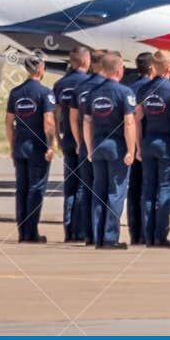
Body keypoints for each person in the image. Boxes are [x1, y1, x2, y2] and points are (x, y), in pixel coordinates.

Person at [81, 51, 138, 249]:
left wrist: (89, 148)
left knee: (99, 191)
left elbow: (87, 122)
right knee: (115, 192)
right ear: (119, 70)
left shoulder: (92, 93)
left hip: (97, 146)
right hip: (116, 147)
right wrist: (131, 150)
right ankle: (110, 237)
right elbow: (129, 123)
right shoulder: (125, 93)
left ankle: (97, 236)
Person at [137, 50, 170, 248]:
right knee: (165, 190)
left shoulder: (143, 90)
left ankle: (148, 235)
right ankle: (160, 235)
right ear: (169, 67)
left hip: (149, 142)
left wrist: (138, 147)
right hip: (166, 145)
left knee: (148, 190)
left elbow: (137, 119)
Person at [6, 54, 56, 244]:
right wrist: (50, 145)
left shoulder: (15, 92)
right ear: (40, 68)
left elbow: (9, 123)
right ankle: (31, 232)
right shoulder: (45, 93)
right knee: (36, 189)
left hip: (20, 146)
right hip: (37, 148)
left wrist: (12, 146)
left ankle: (23, 232)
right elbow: (49, 122)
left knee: (22, 189)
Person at [52, 47, 93, 243]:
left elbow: (56, 114)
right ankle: (81, 230)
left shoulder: (60, 84)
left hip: (67, 138)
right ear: (86, 61)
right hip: (84, 141)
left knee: (70, 186)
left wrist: (58, 139)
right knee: (84, 186)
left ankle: (69, 230)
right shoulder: (88, 84)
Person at [72, 49, 110, 246]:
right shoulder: (110, 88)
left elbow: (73, 118)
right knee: (107, 190)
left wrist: (80, 143)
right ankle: (105, 234)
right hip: (106, 144)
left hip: (87, 146)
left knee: (87, 189)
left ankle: (89, 234)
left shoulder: (81, 88)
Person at [123, 51, 155, 245]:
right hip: (146, 144)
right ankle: (146, 232)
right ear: (152, 67)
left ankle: (134, 233)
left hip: (131, 145)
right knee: (147, 189)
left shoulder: (128, 88)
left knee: (133, 190)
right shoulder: (152, 88)